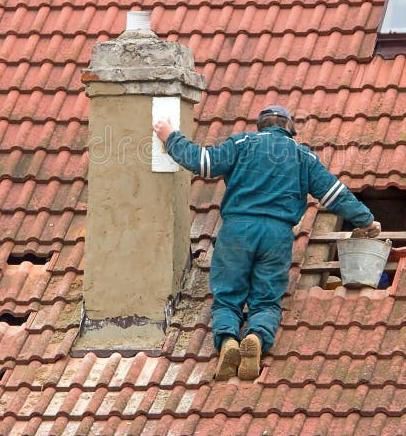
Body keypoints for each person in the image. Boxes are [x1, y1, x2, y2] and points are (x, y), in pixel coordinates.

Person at [153, 105, 380, 381]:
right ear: (289, 129)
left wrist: (170, 136)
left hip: (238, 230)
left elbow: (203, 162)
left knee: (227, 296)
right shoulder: (302, 155)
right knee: (266, 300)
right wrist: (366, 221)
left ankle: (227, 341)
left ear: (260, 127)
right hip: (276, 235)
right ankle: (257, 338)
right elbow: (335, 194)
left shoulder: (241, 143)